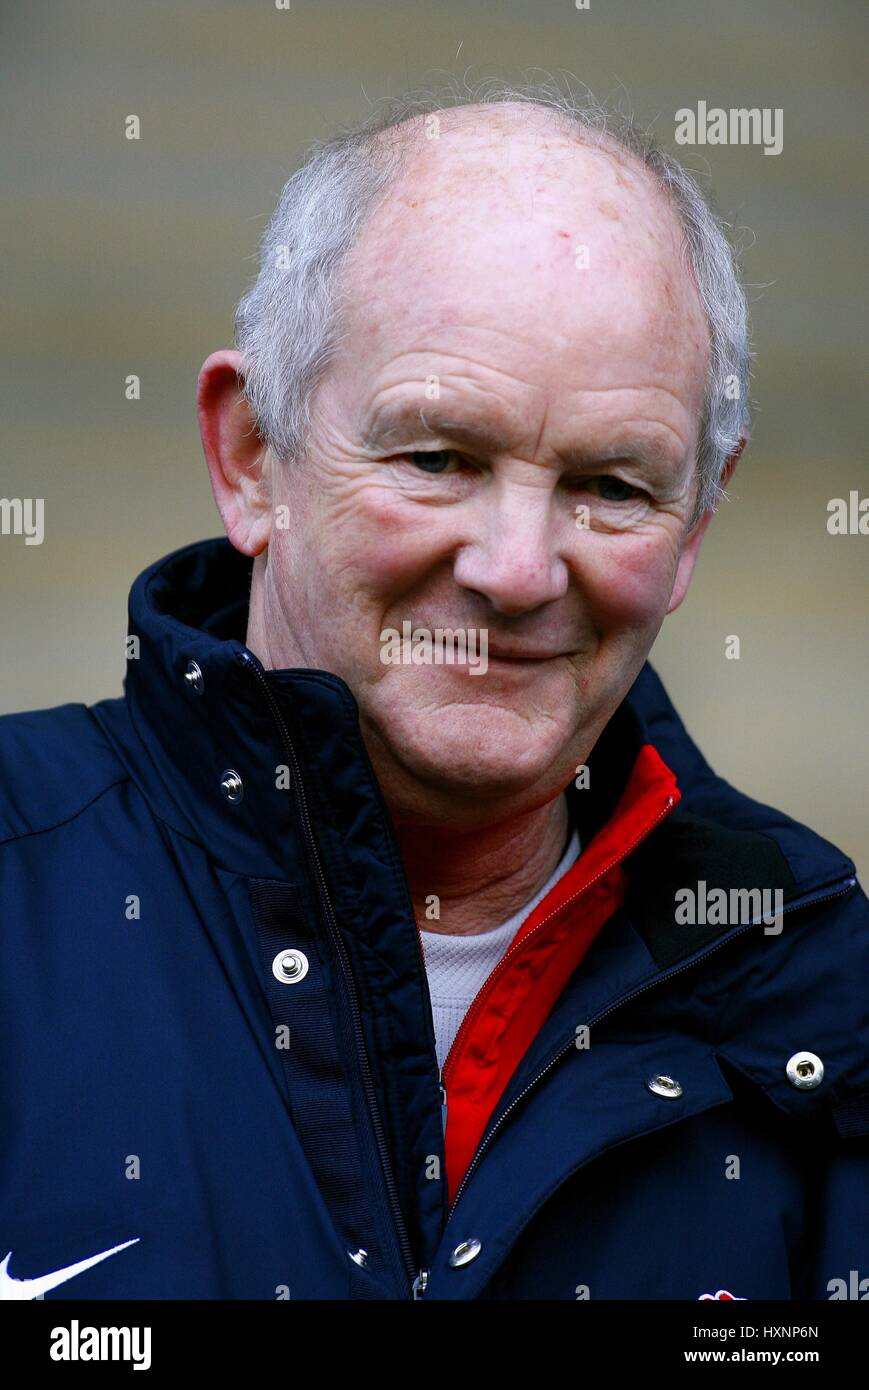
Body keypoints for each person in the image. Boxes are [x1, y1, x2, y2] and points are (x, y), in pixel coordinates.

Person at [1, 86, 867, 1302]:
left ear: (692, 531)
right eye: (437, 457)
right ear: (253, 458)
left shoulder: (815, 984)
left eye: (611, 485)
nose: (516, 571)